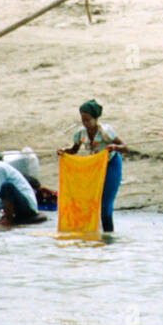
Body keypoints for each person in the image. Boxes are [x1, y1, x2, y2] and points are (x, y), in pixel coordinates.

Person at [59, 99, 127, 232]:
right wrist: (63, 151)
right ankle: (95, 233)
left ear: (96, 119)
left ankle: (108, 237)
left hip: (111, 165)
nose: (85, 123)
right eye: (83, 120)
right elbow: (74, 150)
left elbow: (125, 148)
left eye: (88, 120)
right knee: (90, 202)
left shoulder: (105, 132)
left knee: (105, 204)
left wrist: (114, 147)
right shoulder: (81, 133)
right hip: (94, 167)